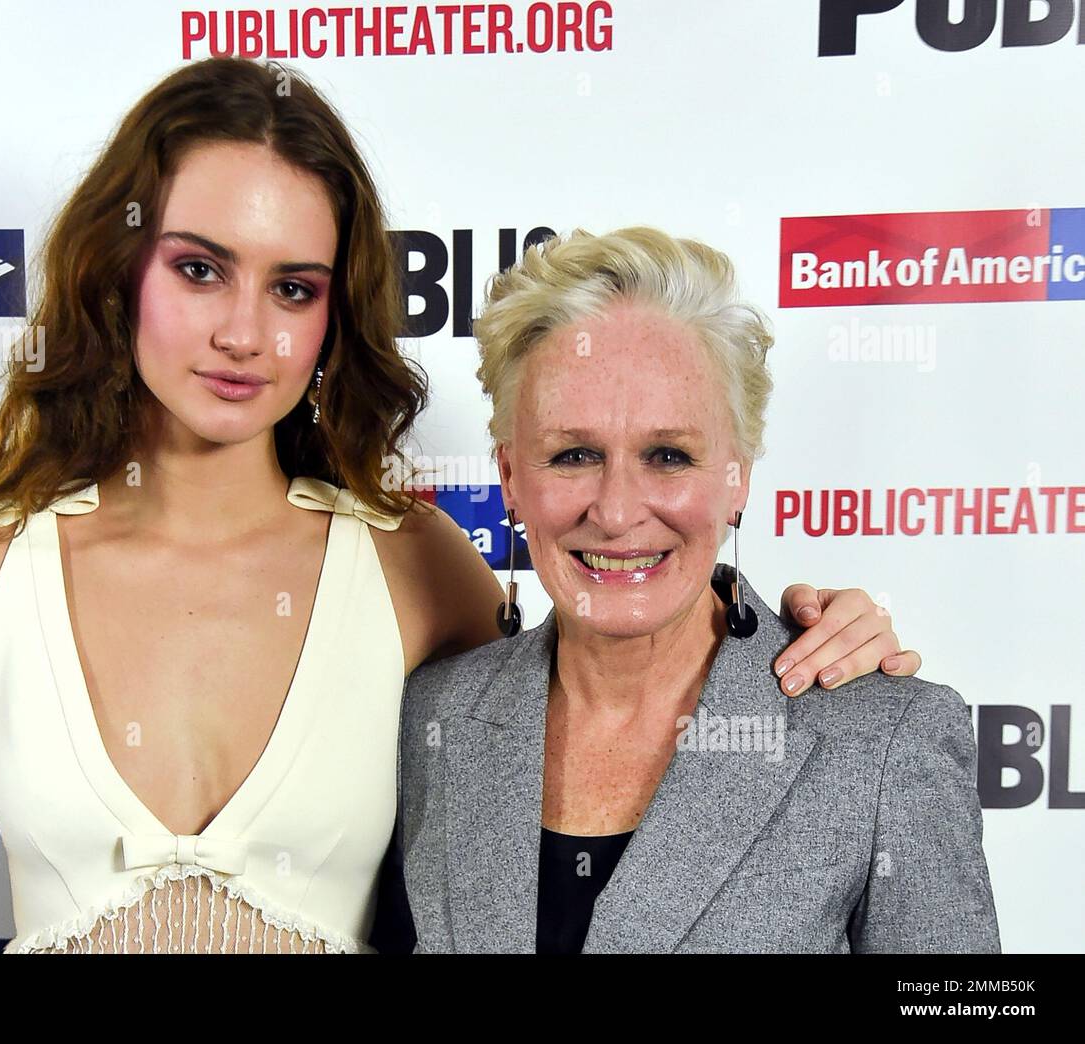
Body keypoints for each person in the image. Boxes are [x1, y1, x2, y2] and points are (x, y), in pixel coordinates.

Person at [0, 58, 923, 955]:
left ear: (336, 312)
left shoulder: (411, 565)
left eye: (294, 287)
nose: (245, 333)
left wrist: (798, 640)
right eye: (200, 269)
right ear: (120, 268)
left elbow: (606, 685)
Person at [388, 226, 999, 953]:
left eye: (668, 455)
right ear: (512, 477)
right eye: (573, 454)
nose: (616, 511)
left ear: (737, 478)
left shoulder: (885, 741)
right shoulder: (432, 721)